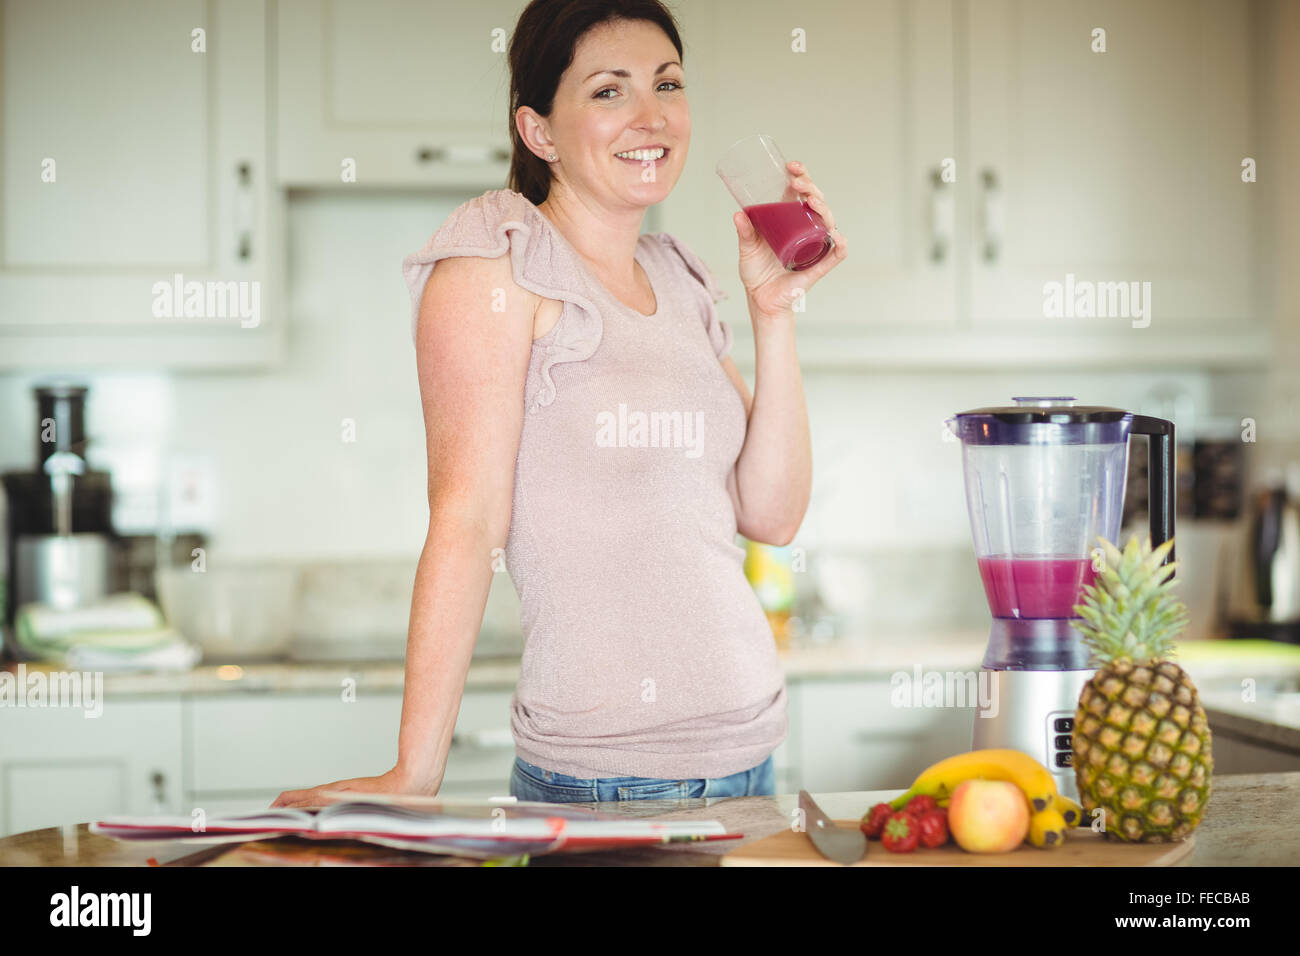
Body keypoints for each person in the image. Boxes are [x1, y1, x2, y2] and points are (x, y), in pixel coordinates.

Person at [273, 0, 846, 808]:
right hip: (603, 778)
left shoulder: (679, 276)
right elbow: (467, 521)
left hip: (751, 755)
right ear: (539, 131)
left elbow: (774, 513)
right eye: (609, 91)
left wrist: (774, 313)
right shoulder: (499, 260)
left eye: (668, 84)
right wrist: (415, 774)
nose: (651, 116)